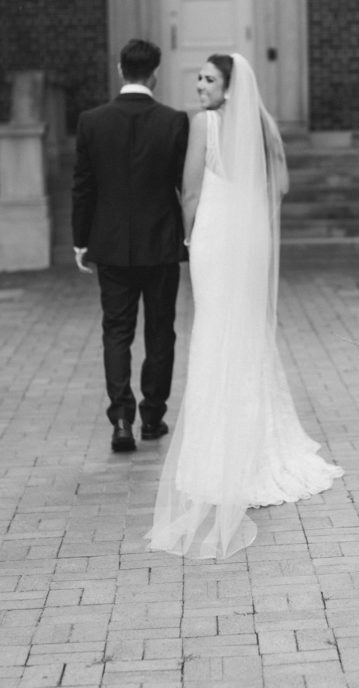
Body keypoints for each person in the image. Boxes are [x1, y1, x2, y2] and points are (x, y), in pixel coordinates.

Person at [148, 53, 343, 559]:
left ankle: (219, 448)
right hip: (248, 240)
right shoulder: (263, 125)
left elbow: (190, 189)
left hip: (213, 237)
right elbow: (280, 186)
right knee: (245, 330)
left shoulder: (204, 125)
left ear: (230, 87)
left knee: (215, 328)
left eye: (209, 79)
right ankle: (260, 442)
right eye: (198, 79)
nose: (199, 87)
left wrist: (189, 240)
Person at [71, 39, 190, 453]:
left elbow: (83, 187)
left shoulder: (92, 121)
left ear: (121, 69)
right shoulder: (175, 121)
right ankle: (152, 417)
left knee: (116, 331)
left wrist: (80, 241)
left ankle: (121, 418)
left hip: (111, 245)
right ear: (154, 74)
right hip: (160, 244)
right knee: (161, 330)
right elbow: (185, 186)